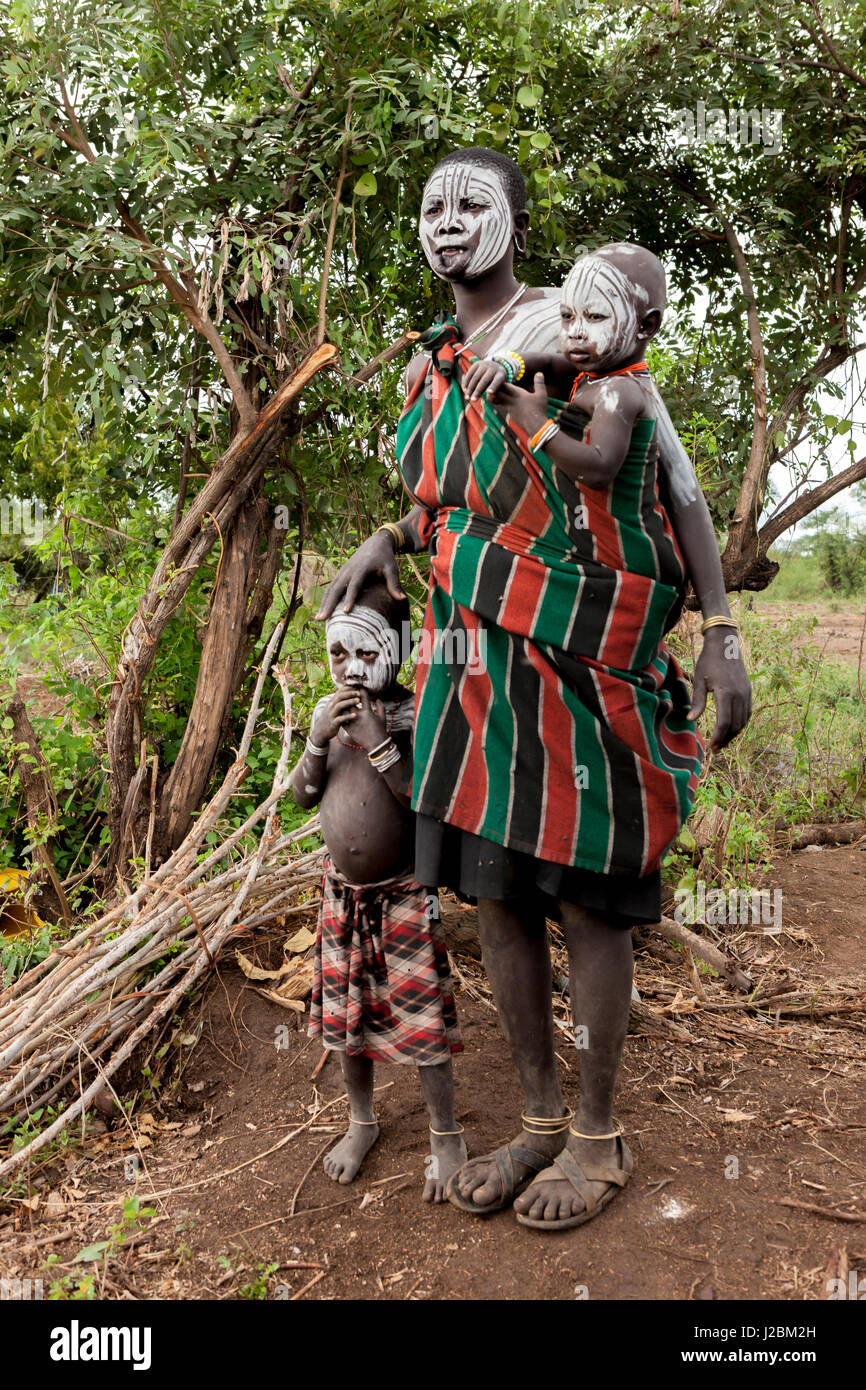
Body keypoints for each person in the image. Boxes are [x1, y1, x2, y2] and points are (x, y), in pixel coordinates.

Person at [318, 148, 752, 1231]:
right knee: (496, 892)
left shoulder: (567, 327)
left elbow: (673, 482)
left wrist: (722, 630)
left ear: (516, 219)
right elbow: (454, 500)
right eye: (430, 207)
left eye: (474, 205)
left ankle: (600, 1139)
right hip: (473, 666)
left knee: (585, 890)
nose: (448, 224)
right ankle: (541, 1117)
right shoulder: (432, 362)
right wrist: (388, 534)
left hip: (578, 660)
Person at [290, 580, 465, 1203]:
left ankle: (446, 1136)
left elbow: (427, 803)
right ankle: (361, 1121)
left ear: (395, 650)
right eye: (339, 655)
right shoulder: (329, 717)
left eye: (367, 654)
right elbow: (302, 797)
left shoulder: (413, 716)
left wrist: (383, 746)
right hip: (343, 897)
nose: (352, 670)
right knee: (346, 1019)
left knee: (421, 1022)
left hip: (403, 895)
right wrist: (315, 741)